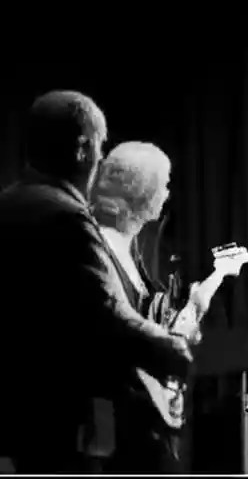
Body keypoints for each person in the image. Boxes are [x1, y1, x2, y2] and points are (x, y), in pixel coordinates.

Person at [0, 91, 192, 473]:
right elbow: (105, 313)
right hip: (65, 420)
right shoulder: (65, 216)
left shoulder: (9, 204)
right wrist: (169, 347)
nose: (101, 160)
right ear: (83, 149)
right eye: (100, 148)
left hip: (19, 416)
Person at [89, 141, 195, 473]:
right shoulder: (96, 247)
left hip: (138, 423)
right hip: (107, 429)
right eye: (162, 184)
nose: (166, 193)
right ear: (141, 191)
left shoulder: (134, 249)